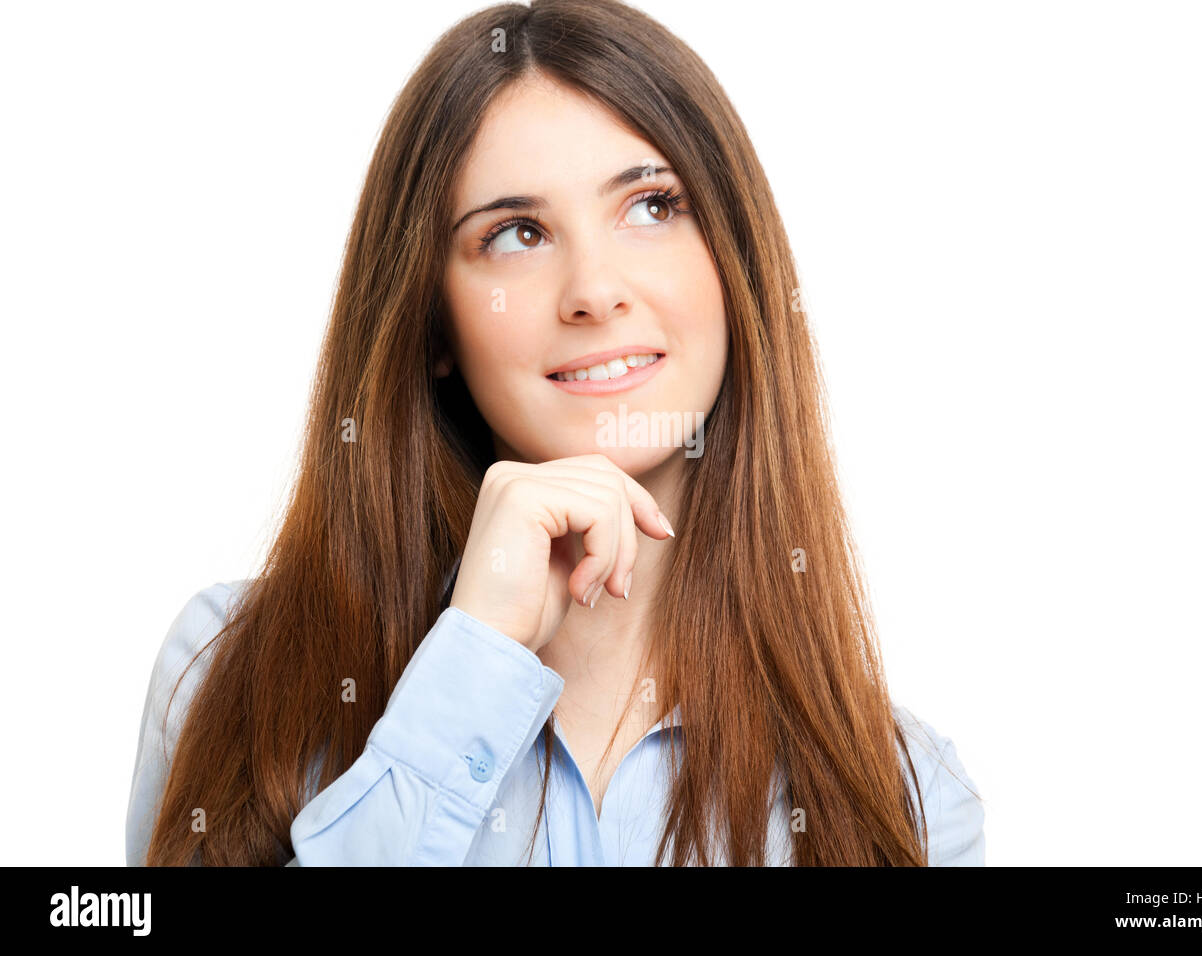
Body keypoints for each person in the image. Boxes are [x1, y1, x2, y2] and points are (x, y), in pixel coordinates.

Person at [128, 0, 985, 866]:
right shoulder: (230, 674)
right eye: (517, 234)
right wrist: (474, 663)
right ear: (432, 328)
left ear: (735, 263)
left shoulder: (908, 800)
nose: (594, 290)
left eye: (652, 206)